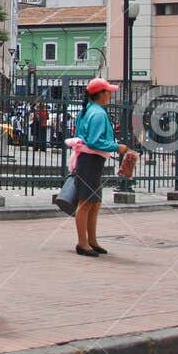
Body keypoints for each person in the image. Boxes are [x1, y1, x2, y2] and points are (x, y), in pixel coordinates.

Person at [70, 78, 127, 257]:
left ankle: (91, 241)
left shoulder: (87, 110)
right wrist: (116, 147)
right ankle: (83, 243)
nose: (110, 95)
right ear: (101, 94)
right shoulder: (98, 114)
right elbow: (94, 141)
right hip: (91, 159)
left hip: (87, 159)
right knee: (86, 202)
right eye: (108, 92)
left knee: (94, 202)